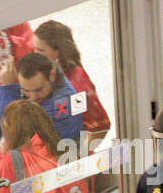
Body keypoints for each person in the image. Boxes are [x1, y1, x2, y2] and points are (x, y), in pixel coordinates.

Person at [32, 20, 112, 149]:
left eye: (40, 50)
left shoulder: (77, 83)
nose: (34, 54)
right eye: (34, 48)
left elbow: (100, 127)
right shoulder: (47, 71)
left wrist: (75, 159)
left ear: (58, 52)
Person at [0, 52, 84, 146]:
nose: (33, 97)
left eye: (39, 90)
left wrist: (8, 89)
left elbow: (13, 136)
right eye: (26, 90)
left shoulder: (60, 104)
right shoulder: (53, 80)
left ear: (52, 75)